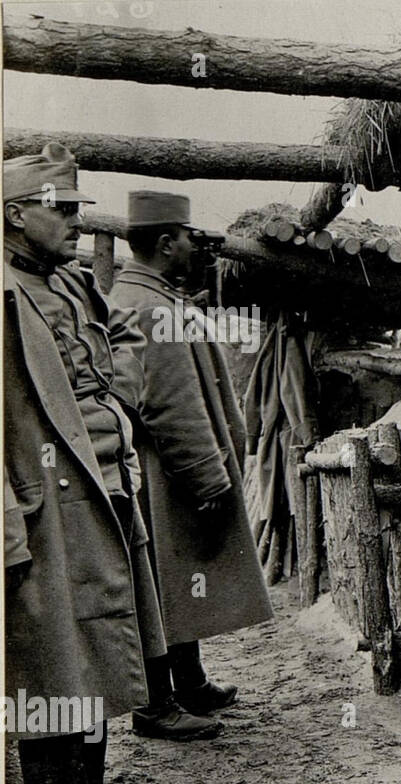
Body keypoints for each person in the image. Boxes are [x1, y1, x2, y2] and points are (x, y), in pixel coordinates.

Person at [3, 143, 170, 784]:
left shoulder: (70, 283)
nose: (75, 218)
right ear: (15, 213)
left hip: (106, 494)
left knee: (102, 649)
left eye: (76, 205)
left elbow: (118, 354)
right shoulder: (3, 293)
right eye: (60, 207)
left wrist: (122, 410)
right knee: (52, 673)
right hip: (43, 514)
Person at [110, 190, 274, 741]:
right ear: (164, 242)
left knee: (178, 579)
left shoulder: (149, 295)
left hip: (165, 472)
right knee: (160, 582)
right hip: (166, 476)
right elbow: (170, 406)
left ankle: (190, 681)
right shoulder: (152, 307)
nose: (192, 246)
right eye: (185, 236)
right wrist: (207, 476)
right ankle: (155, 706)